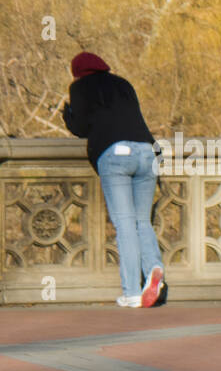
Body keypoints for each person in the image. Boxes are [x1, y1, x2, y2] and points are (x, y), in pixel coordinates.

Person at [61, 52, 166, 307]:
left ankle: (131, 292)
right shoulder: (123, 84)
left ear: (78, 71)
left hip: (115, 154)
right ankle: (154, 269)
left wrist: (68, 115)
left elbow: (82, 127)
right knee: (142, 221)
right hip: (146, 151)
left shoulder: (80, 87)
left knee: (125, 223)